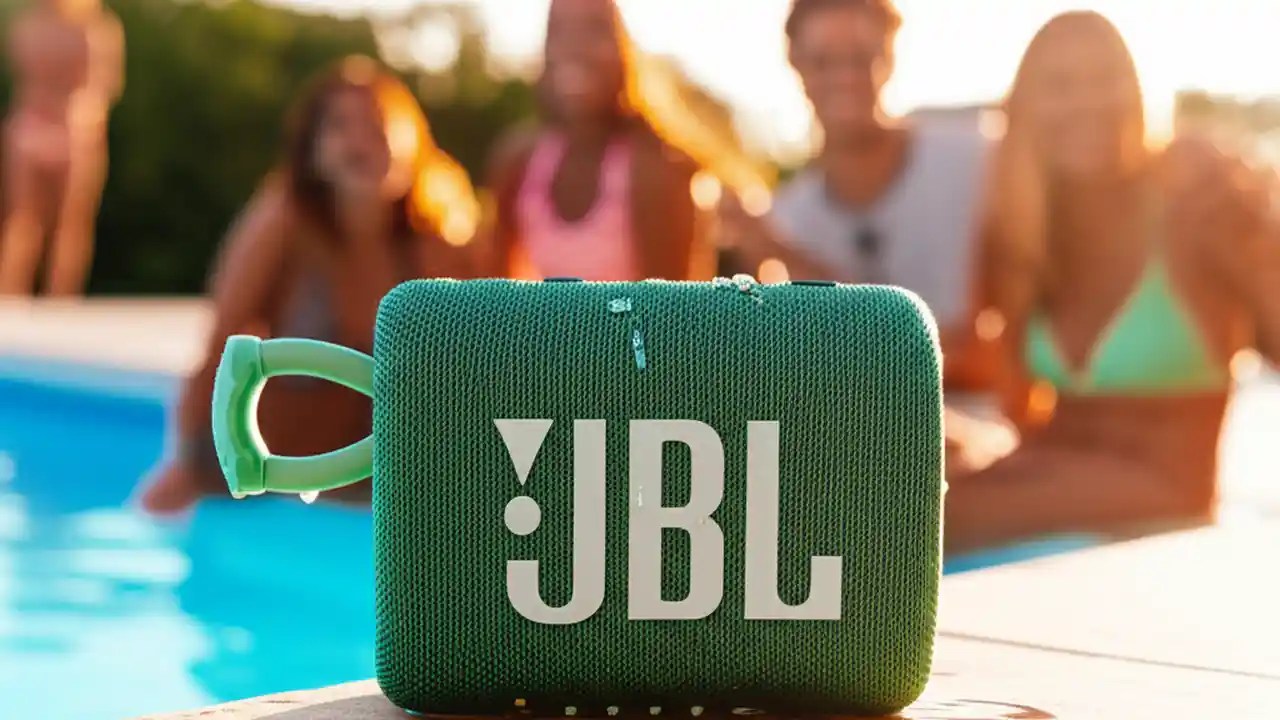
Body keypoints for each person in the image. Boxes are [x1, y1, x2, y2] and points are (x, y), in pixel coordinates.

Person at [945, 12, 1280, 554]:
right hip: (1058, 492)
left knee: (917, 516)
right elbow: (1018, 406)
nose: (1086, 103)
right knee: (892, 480)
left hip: (1168, 509)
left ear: (1139, 91)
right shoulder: (1021, 232)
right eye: (1060, 86)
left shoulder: (1194, 197)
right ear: (1024, 108)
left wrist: (1263, 237)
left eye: (1104, 79)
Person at [139, 56, 480, 514]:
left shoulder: (441, 238)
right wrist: (183, 460)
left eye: (377, 123)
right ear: (312, 149)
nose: (360, 139)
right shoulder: (284, 221)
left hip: (381, 484)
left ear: (414, 139)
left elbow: (490, 360)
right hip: (270, 470)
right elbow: (223, 340)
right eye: (339, 125)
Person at [726, 0, 998, 395]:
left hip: (980, 413)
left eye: (860, 58)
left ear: (889, 58)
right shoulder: (786, 215)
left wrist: (786, 253)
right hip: (855, 422)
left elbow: (991, 350)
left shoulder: (975, 160)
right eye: (823, 61)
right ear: (796, 64)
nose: (844, 78)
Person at [482, 0, 719, 282]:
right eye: (558, 31)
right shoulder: (518, 161)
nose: (573, 47)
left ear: (623, 49)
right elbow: (495, 292)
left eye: (594, 30)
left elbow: (672, 306)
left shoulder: (659, 169)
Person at [0, 0, 124, 296]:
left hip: (76, 129)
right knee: (19, 220)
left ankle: (61, 299)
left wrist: (81, 124)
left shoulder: (97, 29)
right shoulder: (30, 26)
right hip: (33, 127)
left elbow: (102, 87)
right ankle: (8, 296)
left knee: (70, 224)